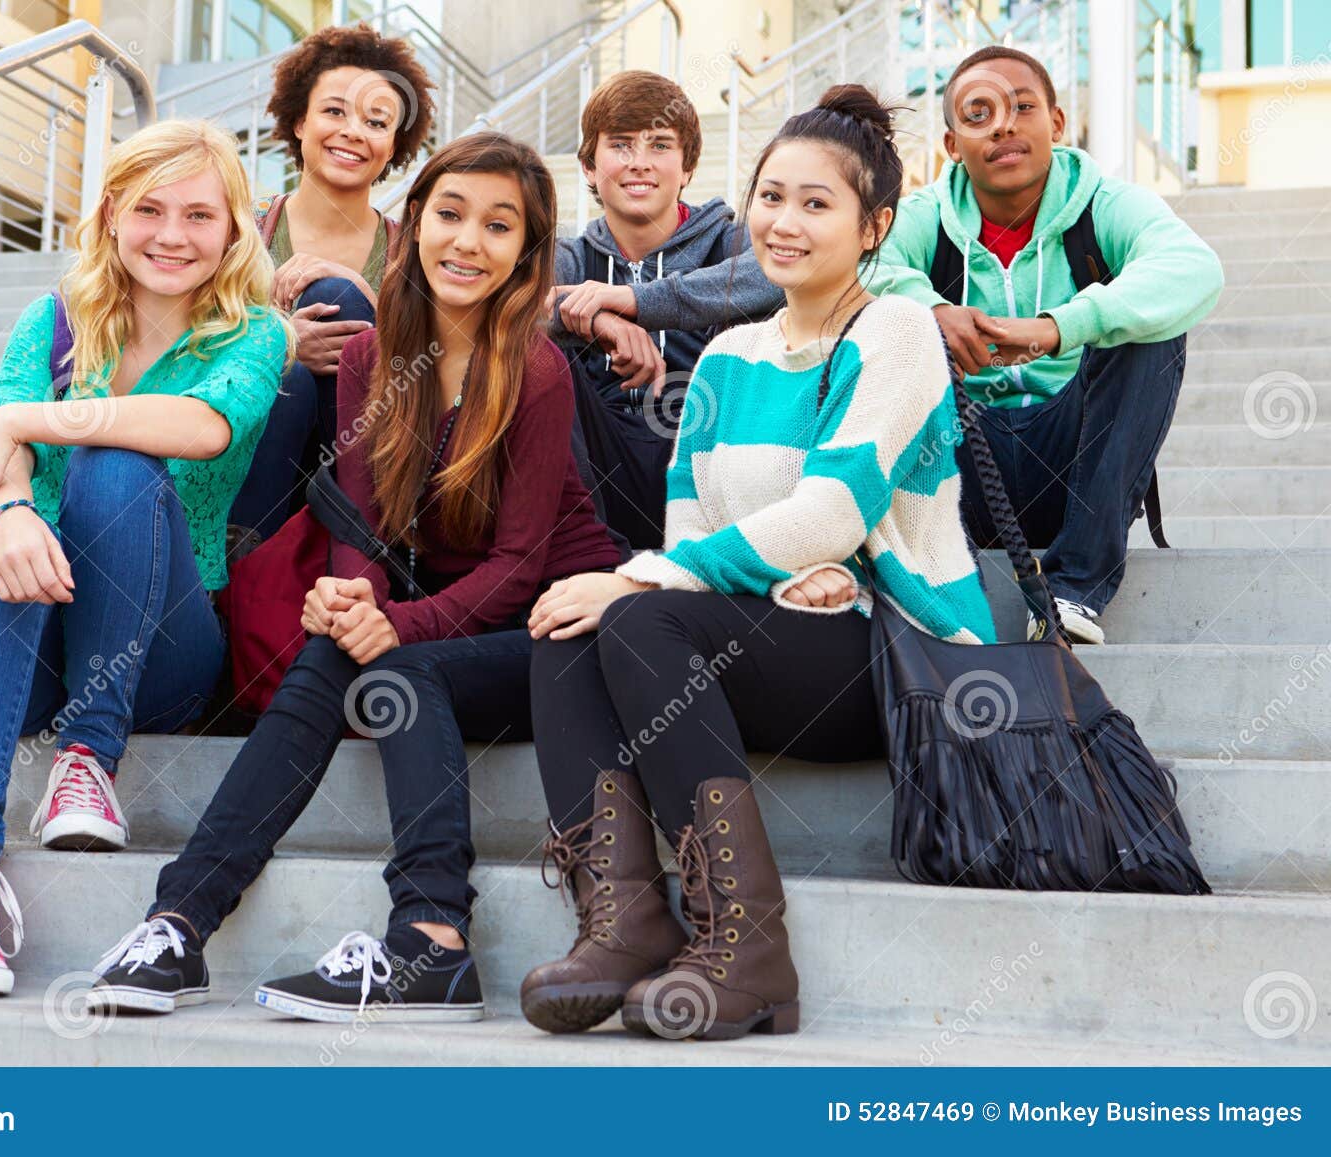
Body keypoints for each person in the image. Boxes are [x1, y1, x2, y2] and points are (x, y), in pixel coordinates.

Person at [87, 133, 621, 1021]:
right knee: (334, 653)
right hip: (438, 623)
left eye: (499, 226)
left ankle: (432, 936)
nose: (467, 242)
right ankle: (178, 924)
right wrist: (349, 596)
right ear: (411, 228)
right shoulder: (373, 360)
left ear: (528, 255)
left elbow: (521, 565)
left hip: (553, 635)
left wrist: (398, 627)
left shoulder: (535, 368)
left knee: (397, 665)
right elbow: (362, 522)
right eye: (449, 215)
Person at [520, 87, 997, 1041]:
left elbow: (834, 508)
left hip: (900, 655)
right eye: (770, 197)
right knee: (569, 632)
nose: (783, 222)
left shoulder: (896, 333)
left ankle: (747, 948)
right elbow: (696, 525)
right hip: (779, 632)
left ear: (877, 227)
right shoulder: (729, 356)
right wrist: (781, 576)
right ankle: (623, 918)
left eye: (817, 203)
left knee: (636, 607)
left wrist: (653, 575)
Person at [0, 120, 294, 997]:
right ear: (112, 215)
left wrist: (21, 423)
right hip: (27, 633)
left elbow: (200, 427)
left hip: (163, 645)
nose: (171, 234)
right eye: (150, 209)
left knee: (115, 466)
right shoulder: (52, 320)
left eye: (199, 214)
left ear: (236, 228)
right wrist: (7, 507)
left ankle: (88, 760)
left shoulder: (253, 335)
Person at [864, 45, 1222, 643]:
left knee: (1150, 330)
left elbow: (1193, 267)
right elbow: (855, 268)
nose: (1003, 124)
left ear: (1055, 124)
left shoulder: (1102, 201)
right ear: (953, 146)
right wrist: (930, 311)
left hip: (1075, 469)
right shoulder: (923, 215)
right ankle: (918, 582)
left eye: (1022, 107)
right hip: (960, 472)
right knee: (886, 332)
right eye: (978, 114)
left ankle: (1072, 591)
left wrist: (1062, 326)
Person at [547, 70, 783, 551]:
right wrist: (597, 318)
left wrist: (638, 301)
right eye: (621, 146)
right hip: (600, 463)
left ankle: (734, 551)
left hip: (713, 452)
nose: (640, 164)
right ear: (590, 168)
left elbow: (778, 273)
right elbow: (506, 308)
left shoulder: (727, 241)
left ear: (688, 167)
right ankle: (590, 558)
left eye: (659, 145)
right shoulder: (570, 258)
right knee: (535, 357)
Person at [227, 21, 436, 538]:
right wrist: (280, 341)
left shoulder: (414, 249)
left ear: (393, 145)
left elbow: (441, 365)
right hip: (247, 458)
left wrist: (363, 295)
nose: (352, 132)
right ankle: (245, 571)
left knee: (336, 294)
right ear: (299, 122)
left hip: (369, 463)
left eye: (375, 121)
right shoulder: (239, 229)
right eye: (334, 111)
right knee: (289, 378)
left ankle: (367, 552)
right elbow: (184, 339)